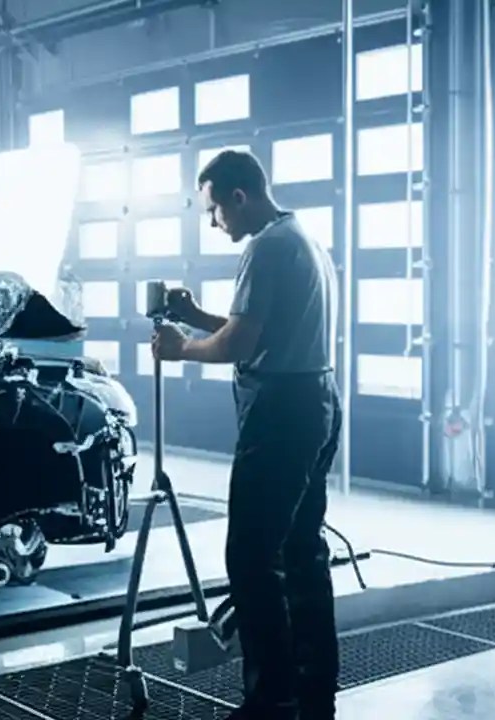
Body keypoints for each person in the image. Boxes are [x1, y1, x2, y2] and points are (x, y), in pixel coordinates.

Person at [151, 150, 341, 720]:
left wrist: (179, 347)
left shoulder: (265, 246)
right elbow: (252, 329)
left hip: (280, 413)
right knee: (301, 551)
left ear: (240, 197)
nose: (214, 224)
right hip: (316, 402)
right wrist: (197, 316)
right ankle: (312, 689)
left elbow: (237, 348)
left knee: (252, 558)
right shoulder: (300, 237)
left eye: (215, 211)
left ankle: (269, 701)